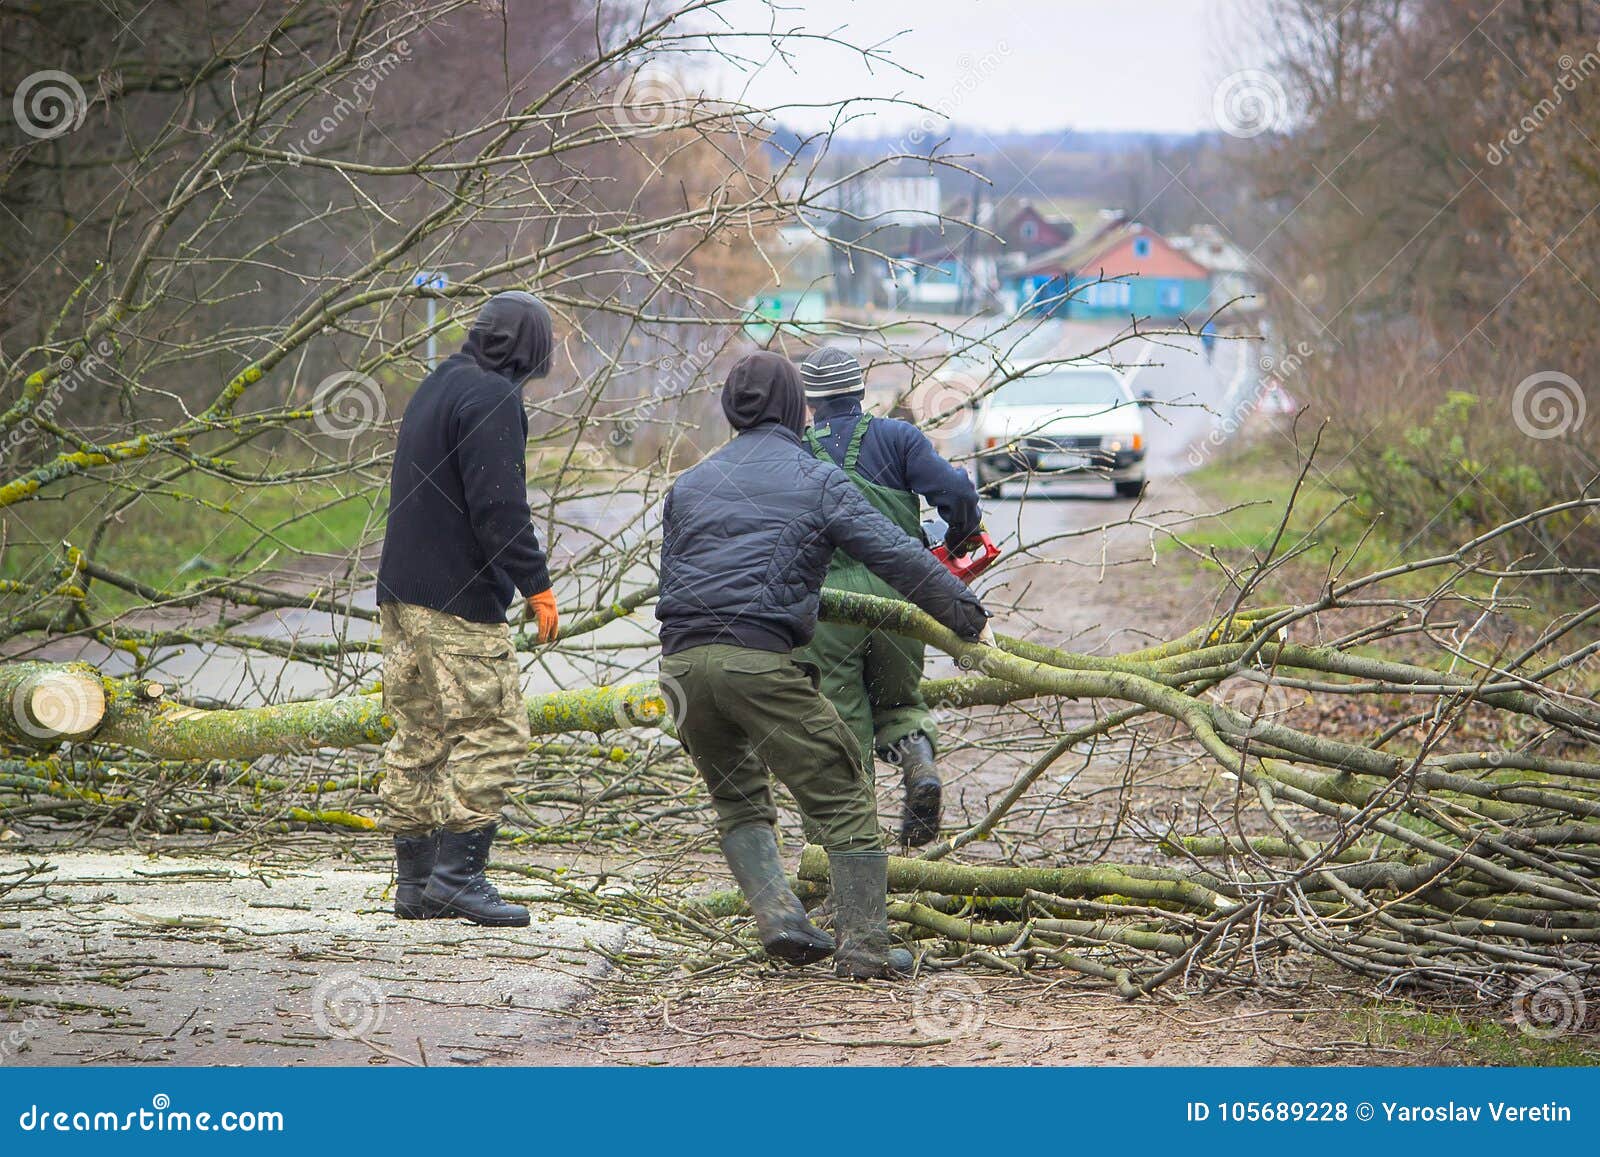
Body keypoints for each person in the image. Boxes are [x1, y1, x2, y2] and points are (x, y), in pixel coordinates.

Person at [656, 351, 992, 979]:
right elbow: (896, 554)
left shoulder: (691, 482)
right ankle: (865, 948)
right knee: (841, 788)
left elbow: (678, 574)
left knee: (737, 797)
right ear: (795, 406)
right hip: (758, 661)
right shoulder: (815, 477)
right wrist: (966, 616)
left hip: (679, 667)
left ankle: (781, 918)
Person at [374, 290, 562, 928]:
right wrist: (535, 584)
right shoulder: (493, 398)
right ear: (531, 349)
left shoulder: (441, 382)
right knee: (494, 729)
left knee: (420, 732)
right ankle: (458, 877)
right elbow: (498, 506)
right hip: (456, 601)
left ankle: (417, 880)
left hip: (401, 596)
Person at [794, 347, 984, 847]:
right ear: (860, 392)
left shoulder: (796, 451)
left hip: (827, 609)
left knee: (838, 731)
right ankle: (918, 763)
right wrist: (961, 539)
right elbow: (959, 494)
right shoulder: (897, 437)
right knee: (899, 704)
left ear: (810, 403)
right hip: (901, 601)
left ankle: (843, 859)